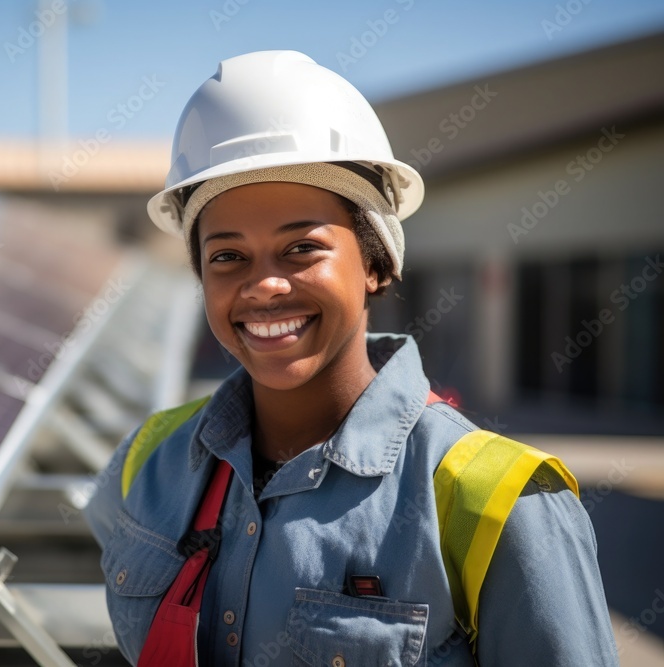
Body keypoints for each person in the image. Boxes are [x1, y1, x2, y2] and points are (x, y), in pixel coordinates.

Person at [84, 50, 618, 666]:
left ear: (375, 264)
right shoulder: (150, 459)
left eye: (302, 248)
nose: (264, 286)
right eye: (227, 256)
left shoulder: (499, 505)